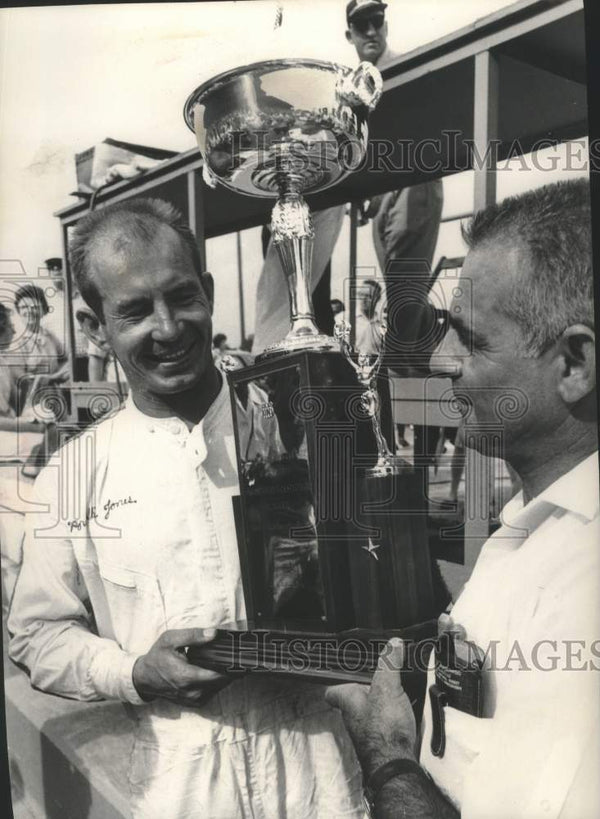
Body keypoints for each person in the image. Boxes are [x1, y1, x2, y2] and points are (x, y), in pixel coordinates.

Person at [8, 198, 363, 819]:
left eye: (182, 296)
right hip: (182, 790)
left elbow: (377, 565)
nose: (168, 328)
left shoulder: (300, 422)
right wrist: (134, 673)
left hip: (321, 776)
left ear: (211, 291)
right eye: (136, 310)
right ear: (96, 329)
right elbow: (39, 635)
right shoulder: (72, 473)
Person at [325, 179, 599, 818]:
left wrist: (387, 754)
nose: (443, 361)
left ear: (575, 364)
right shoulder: (536, 524)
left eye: (471, 341)